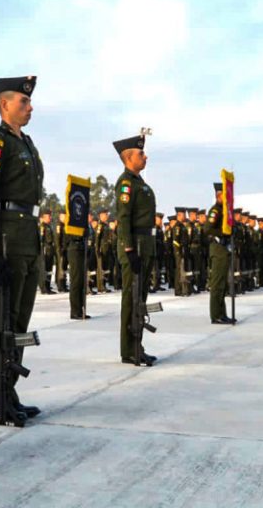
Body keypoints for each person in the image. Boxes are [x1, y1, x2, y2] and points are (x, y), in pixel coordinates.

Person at [0, 75, 43, 426]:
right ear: (5, 105)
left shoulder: (26, 143)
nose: (30, 107)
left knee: (18, 320)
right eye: (23, 102)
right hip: (6, 239)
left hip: (27, 238)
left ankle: (9, 391)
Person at [113, 133, 157, 366]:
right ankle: (129, 350)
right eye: (141, 153)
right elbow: (124, 218)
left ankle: (137, 345)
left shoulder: (139, 182)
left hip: (145, 245)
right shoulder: (126, 183)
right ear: (129, 157)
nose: (145, 156)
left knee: (140, 299)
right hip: (135, 246)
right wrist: (129, 249)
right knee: (131, 299)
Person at [206, 183, 233, 324]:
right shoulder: (215, 211)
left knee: (223, 284)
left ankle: (222, 313)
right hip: (217, 250)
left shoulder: (225, 211)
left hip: (224, 250)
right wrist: (221, 234)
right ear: (218, 196)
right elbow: (208, 229)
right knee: (216, 284)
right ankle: (215, 315)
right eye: (224, 195)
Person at [38, 209, 56, 294]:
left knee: (49, 269)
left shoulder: (49, 226)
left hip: (50, 249)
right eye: (49, 216)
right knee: (44, 269)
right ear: (44, 217)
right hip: (45, 249)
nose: (50, 218)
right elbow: (41, 239)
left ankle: (48, 286)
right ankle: (44, 287)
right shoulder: (43, 226)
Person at [54, 211, 69, 292]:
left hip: (65, 249)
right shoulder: (59, 226)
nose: (66, 218)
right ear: (60, 217)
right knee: (61, 268)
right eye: (64, 216)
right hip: (61, 250)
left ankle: (64, 284)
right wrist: (59, 249)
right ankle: (60, 285)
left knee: (64, 268)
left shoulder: (65, 226)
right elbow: (57, 239)